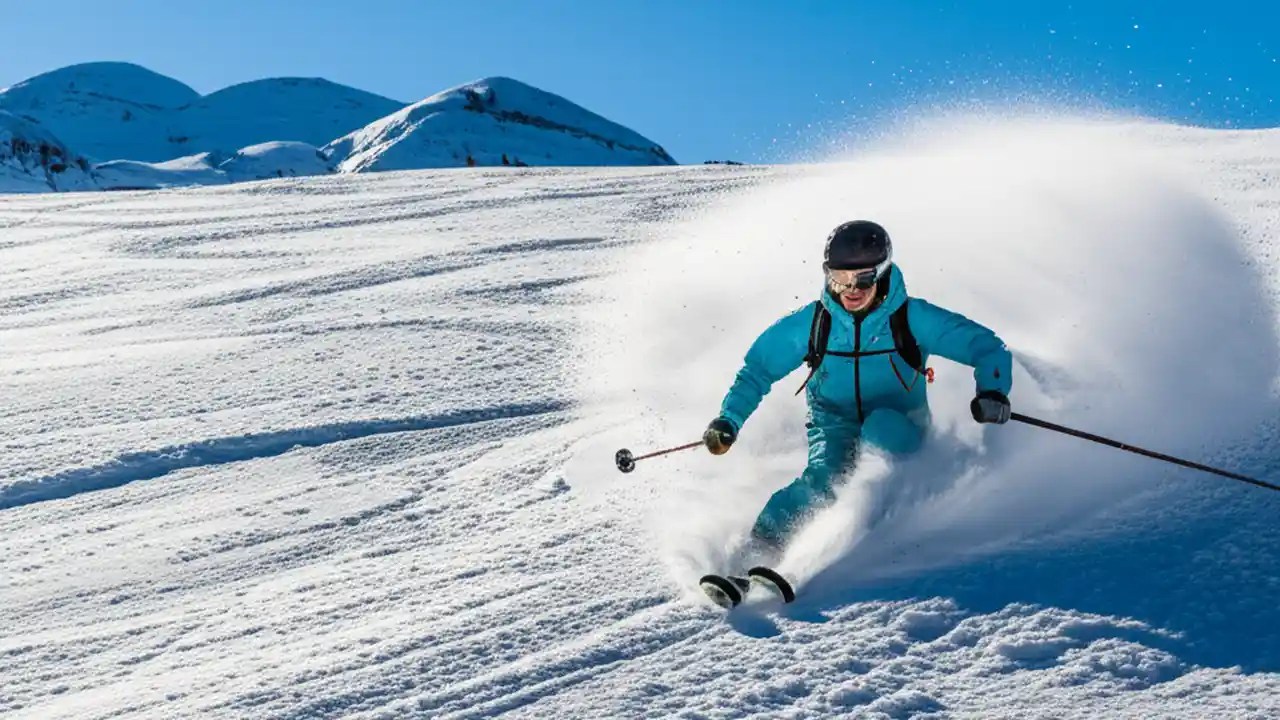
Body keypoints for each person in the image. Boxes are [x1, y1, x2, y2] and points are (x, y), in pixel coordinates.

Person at [703, 220, 1013, 548]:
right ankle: (759, 550)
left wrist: (992, 391)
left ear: (881, 272)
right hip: (832, 422)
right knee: (823, 480)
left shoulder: (911, 318)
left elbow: (987, 347)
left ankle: (876, 533)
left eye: (863, 278)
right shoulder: (814, 323)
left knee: (880, 432)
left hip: (900, 421)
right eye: (839, 277)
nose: (851, 289)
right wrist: (729, 419)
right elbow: (758, 370)